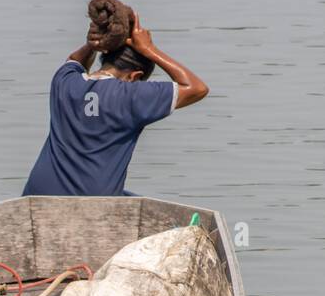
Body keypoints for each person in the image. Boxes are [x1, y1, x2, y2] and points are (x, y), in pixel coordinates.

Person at [22, 12, 208, 197]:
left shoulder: (64, 81)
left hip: (38, 195)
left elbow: (74, 60)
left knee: (131, 198)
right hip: (94, 205)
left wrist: (93, 44)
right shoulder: (131, 96)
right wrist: (150, 49)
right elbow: (196, 88)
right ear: (135, 76)